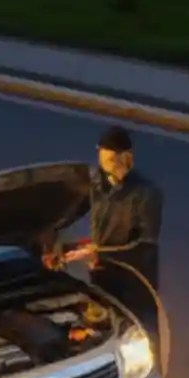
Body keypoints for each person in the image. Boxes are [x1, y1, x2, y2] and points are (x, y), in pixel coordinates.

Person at [49, 125, 164, 343]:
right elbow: (68, 215)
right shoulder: (97, 185)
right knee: (98, 336)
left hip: (136, 286)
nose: (114, 167)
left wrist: (98, 254)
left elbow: (145, 247)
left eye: (117, 160)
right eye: (106, 161)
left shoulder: (147, 194)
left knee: (142, 341)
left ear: (128, 157)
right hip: (103, 279)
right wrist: (56, 246)